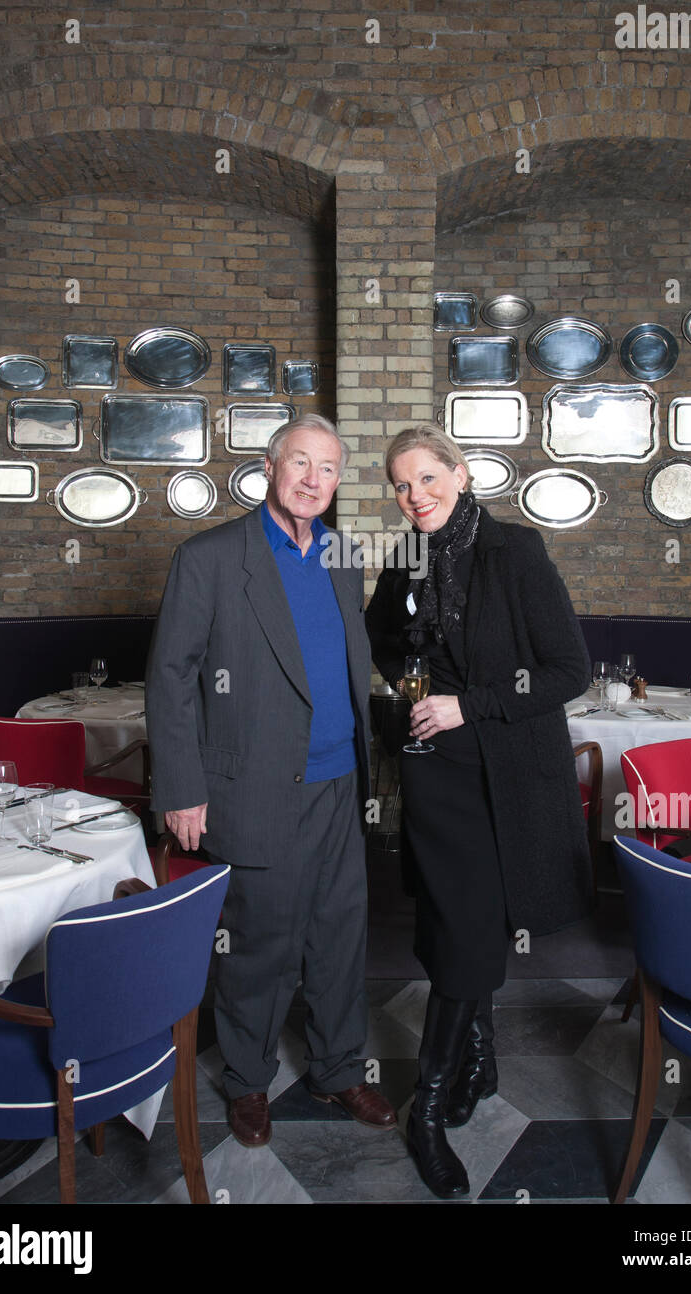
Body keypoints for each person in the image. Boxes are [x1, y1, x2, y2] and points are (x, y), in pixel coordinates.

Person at [146, 415, 396, 1146]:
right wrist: (182, 789)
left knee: (340, 937)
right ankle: (248, 1081)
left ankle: (339, 1068)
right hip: (253, 787)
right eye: (300, 463)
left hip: (341, 783)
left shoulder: (344, 556)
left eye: (327, 467)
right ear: (270, 467)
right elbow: (170, 678)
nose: (313, 479)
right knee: (258, 943)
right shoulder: (212, 557)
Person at [365, 423, 592, 1198]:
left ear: (459, 475)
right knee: (457, 925)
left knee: (475, 927)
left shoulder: (515, 553)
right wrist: (414, 685)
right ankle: (479, 1061)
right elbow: (380, 643)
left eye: (427, 478)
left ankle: (425, 1107)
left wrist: (470, 705)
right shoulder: (404, 558)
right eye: (401, 485)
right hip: (436, 776)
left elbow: (570, 672)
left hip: (508, 774)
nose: (414, 496)